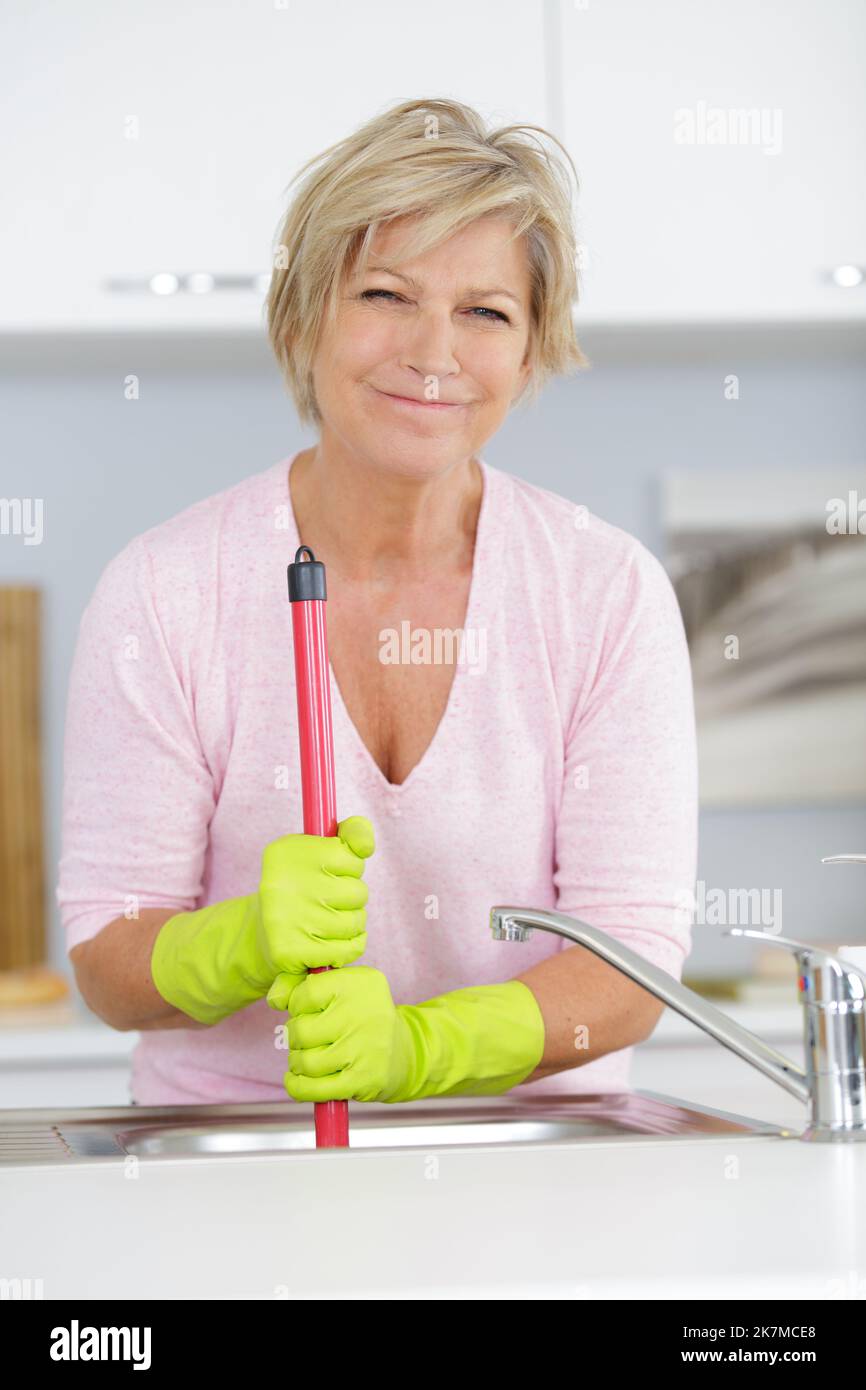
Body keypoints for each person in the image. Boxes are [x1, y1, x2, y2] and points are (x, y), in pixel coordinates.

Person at [57, 97, 698, 1106]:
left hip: (534, 1155)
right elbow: (106, 960)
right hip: (233, 1156)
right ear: (304, 314)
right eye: (385, 294)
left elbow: (630, 957)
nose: (433, 351)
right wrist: (227, 946)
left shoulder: (604, 593)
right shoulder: (164, 591)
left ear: (529, 352)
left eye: (485, 311)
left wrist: (421, 1048)